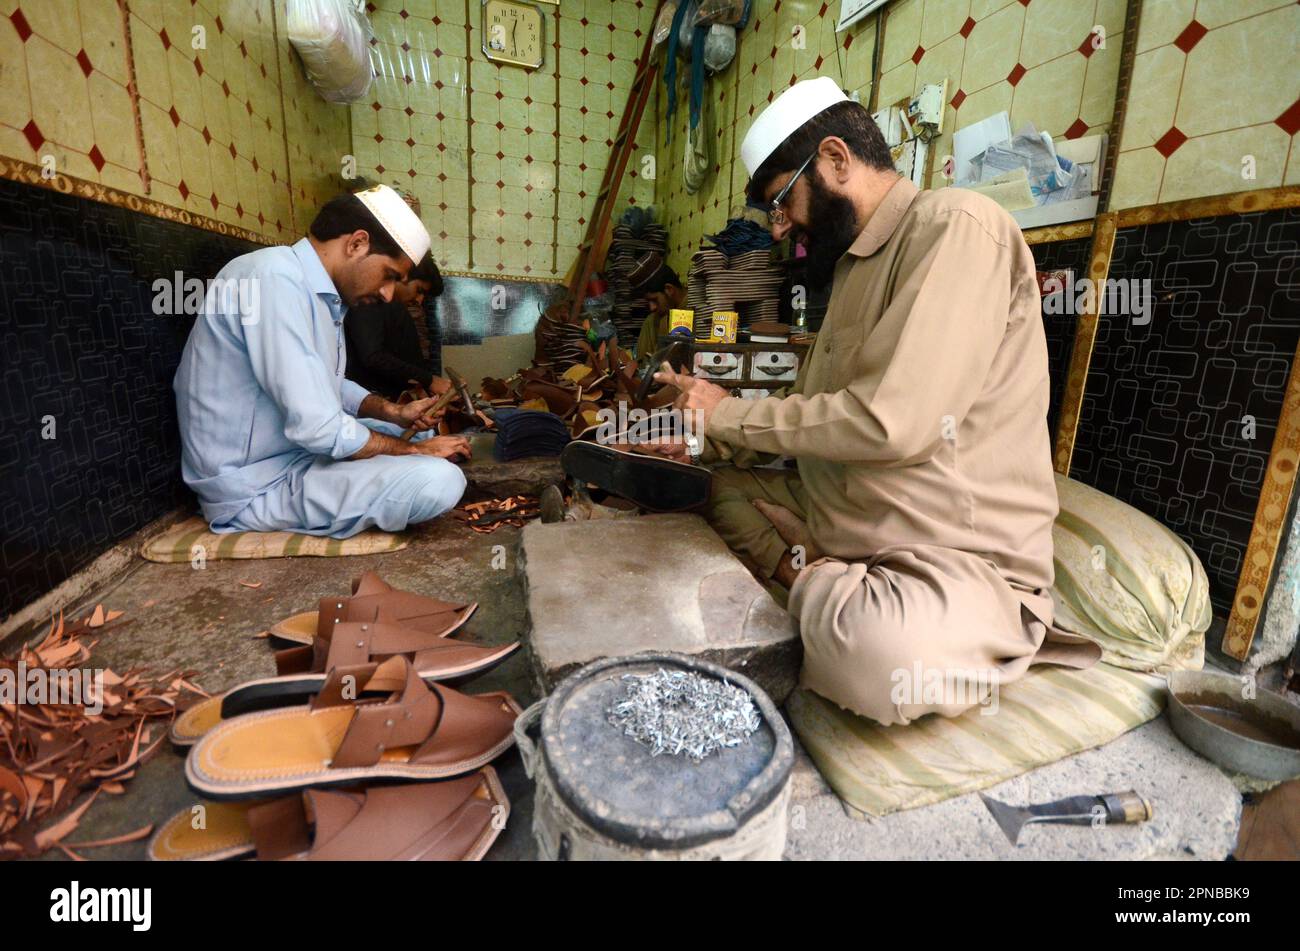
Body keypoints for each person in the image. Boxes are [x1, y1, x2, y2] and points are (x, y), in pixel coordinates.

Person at [653, 77, 1100, 726]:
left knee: (877, 658)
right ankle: (819, 568)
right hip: (843, 507)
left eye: (781, 201)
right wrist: (702, 432)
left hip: (951, 558)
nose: (780, 230)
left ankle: (813, 579)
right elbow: (810, 405)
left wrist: (727, 411)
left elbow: (892, 423)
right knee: (709, 487)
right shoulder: (852, 266)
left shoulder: (959, 227)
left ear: (835, 160)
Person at [173, 184, 470, 538]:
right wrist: (413, 452)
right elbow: (318, 427)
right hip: (255, 485)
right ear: (357, 243)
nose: (389, 293)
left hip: (293, 458)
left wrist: (392, 413)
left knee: (401, 435)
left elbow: (324, 381)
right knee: (439, 480)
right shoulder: (272, 279)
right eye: (389, 275)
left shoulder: (315, 291)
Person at [345, 254, 447, 400]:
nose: (419, 299)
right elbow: (373, 356)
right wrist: (428, 380)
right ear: (404, 276)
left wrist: (420, 385)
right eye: (419, 290)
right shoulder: (368, 299)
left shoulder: (394, 306)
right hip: (369, 401)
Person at [629, 252, 687, 359]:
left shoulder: (700, 309)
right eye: (648, 302)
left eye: (654, 300)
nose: (652, 308)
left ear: (669, 289)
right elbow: (643, 366)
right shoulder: (651, 322)